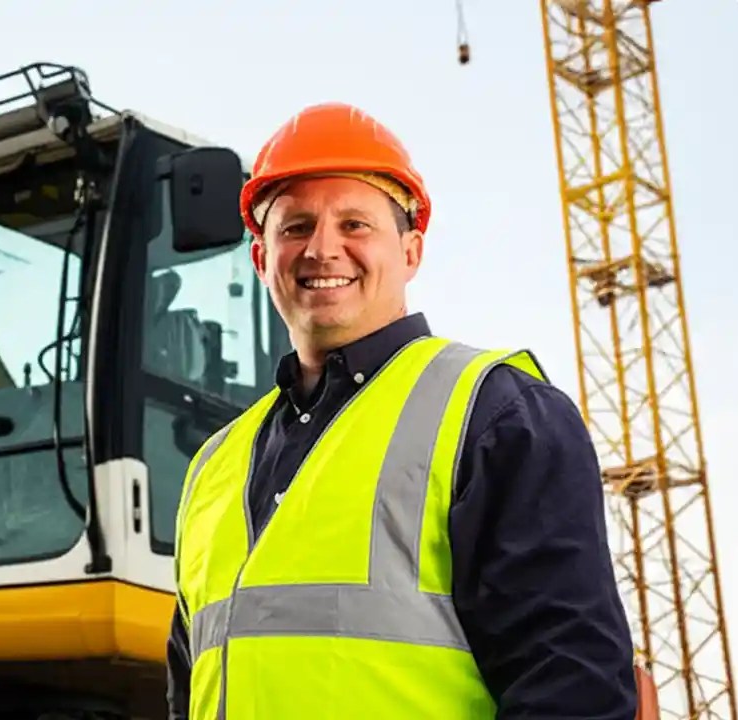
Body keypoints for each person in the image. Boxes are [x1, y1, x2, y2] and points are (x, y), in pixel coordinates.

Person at [165, 102, 638, 719]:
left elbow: (571, 686)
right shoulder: (214, 466)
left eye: (355, 225)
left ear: (411, 252)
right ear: (261, 258)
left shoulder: (494, 414)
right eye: (296, 227)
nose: (322, 249)